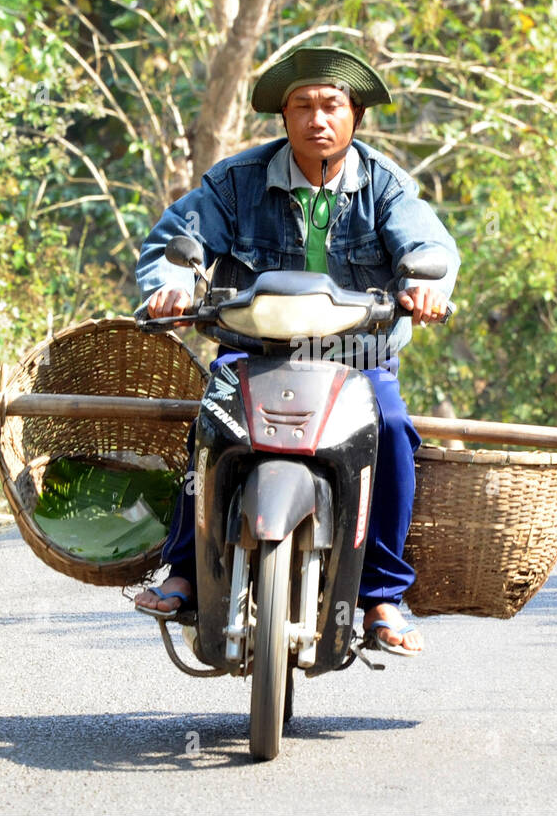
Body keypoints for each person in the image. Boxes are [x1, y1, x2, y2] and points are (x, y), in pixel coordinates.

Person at [132, 44, 458, 656]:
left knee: (389, 427)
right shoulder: (235, 182)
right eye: (302, 106)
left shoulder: (385, 186)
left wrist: (425, 289)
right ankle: (184, 570)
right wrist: (170, 289)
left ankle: (383, 595)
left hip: (356, 357)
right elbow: (177, 239)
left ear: (355, 116)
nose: (318, 119)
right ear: (283, 118)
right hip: (253, 350)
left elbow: (428, 244)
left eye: (332, 105)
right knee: (209, 426)